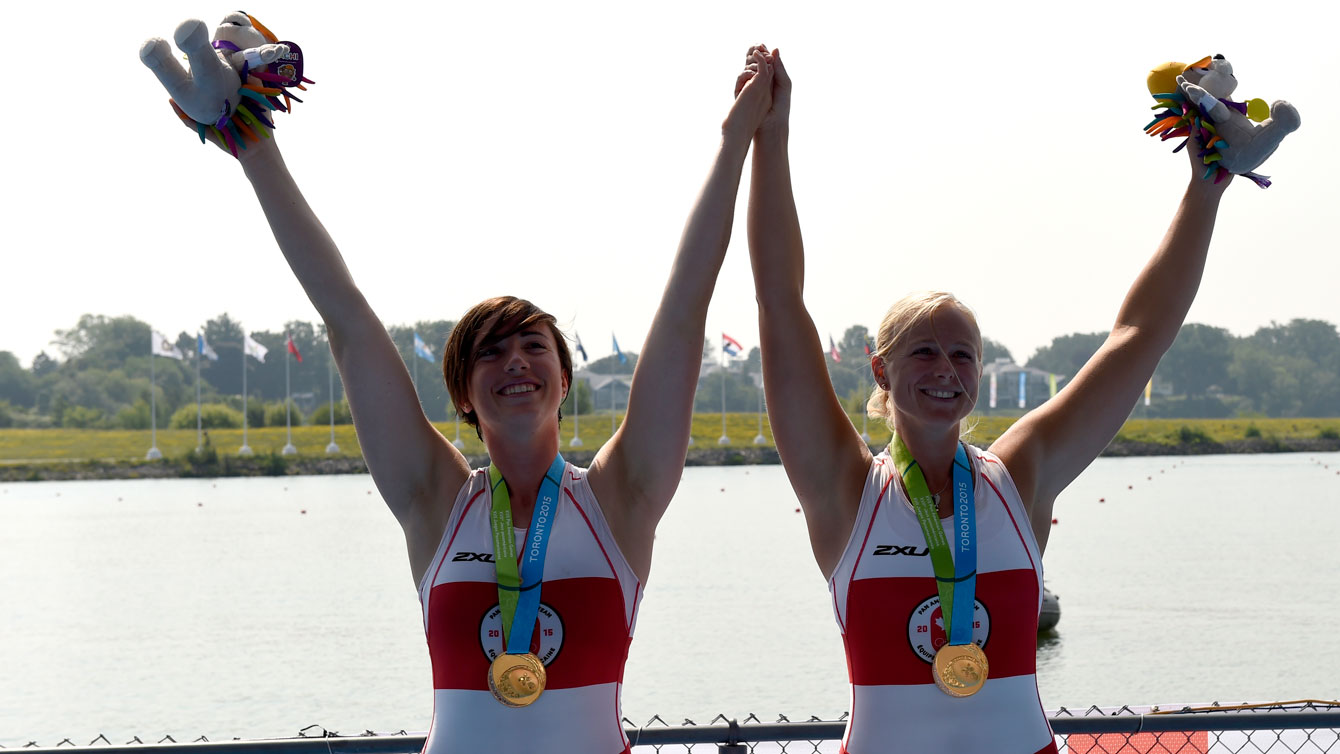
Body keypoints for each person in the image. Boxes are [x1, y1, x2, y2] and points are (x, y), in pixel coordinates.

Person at [142, 23, 777, 753]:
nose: (514, 362)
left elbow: (685, 307)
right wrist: (255, 149)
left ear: (564, 381)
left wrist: (735, 143)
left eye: (533, 347)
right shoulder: (432, 497)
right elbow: (345, 317)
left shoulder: (621, 497)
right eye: (490, 353)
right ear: (464, 397)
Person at [744, 45, 1232, 753]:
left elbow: (1140, 334)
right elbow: (779, 304)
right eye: (924, 351)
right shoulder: (842, 487)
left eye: (963, 353)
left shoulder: (1021, 474)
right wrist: (771, 138)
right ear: (881, 370)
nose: (946, 369)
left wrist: (1205, 191)